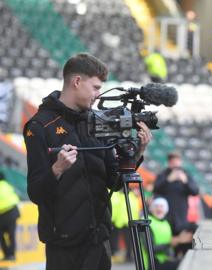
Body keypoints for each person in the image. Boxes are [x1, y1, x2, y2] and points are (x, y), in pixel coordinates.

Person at [23, 53, 152, 270]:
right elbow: (36, 192)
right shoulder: (39, 126)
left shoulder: (99, 123)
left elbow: (115, 183)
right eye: (95, 87)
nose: (98, 94)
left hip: (100, 242)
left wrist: (137, 153)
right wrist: (57, 169)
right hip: (63, 246)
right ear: (76, 82)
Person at [153, 151, 198, 257]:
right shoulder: (163, 174)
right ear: (169, 163)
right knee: (170, 246)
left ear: (180, 162)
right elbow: (155, 189)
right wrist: (168, 180)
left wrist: (185, 181)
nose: (175, 164)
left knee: (184, 245)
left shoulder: (186, 174)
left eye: (177, 161)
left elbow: (195, 191)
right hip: (166, 217)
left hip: (182, 217)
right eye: (172, 161)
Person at [145, 197, 191, 270]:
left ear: (166, 209)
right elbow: (150, 249)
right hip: (151, 264)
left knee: (186, 261)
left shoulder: (166, 223)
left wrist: (180, 240)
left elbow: (172, 241)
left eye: (161, 206)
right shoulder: (147, 223)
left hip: (164, 260)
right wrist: (170, 243)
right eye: (156, 206)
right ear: (151, 208)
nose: (159, 209)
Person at [0, 172, 20, 261]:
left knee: (1, 236)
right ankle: (12, 255)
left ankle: (7, 255)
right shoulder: (8, 185)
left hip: (3, 214)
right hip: (12, 212)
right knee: (11, 235)